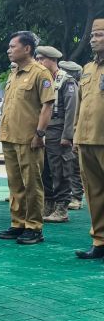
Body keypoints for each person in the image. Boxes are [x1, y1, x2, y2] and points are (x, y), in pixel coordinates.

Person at [0, 31, 55, 245]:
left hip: (29, 138)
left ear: (27, 48)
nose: (9, 50)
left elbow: (47, 105)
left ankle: (34, 227)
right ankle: (18, 223)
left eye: (13, 46)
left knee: (32, 184)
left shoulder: (40, 73)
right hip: (10, 136)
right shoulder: (13, 73)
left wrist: (40, 133)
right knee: (15, 184)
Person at [74, 18, 104, 260]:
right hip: (87, 139)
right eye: (93, 35)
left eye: (99, 35)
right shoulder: (87, 69)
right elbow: (81, 105)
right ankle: (99, 240)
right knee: (93, 193)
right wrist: (76, 135)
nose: (93, 39)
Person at [37, 46, 77, 223]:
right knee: (44, 169)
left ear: (52, 60)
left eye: (42, 59)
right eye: (37, 59)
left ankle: (62, 207)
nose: (39, 63)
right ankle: (49, 203)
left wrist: (67, 135)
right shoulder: (43, 80)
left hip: (59, 130)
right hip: (44, 131)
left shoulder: (66, 81)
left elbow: (71, 110)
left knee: (61, 170)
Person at [58, 60, 85, 210]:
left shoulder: (72, 85)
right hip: (70, 131)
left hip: (76, 132)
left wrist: (69, 134)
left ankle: (76, 197)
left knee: (73, 166)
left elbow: (73, 112)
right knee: (68, 166)